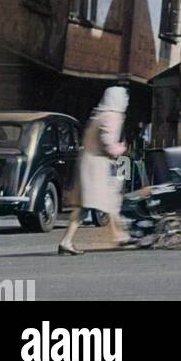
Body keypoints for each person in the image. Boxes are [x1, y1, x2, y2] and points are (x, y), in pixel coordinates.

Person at [58, 85, 130, 255]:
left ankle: (67, 240)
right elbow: (107, 141)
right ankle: (119, 236)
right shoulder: (112, 116)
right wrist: (120, 149)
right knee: (108, 200)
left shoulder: (98, 115)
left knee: (89, 204)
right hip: (97, 165)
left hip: (89, 163)